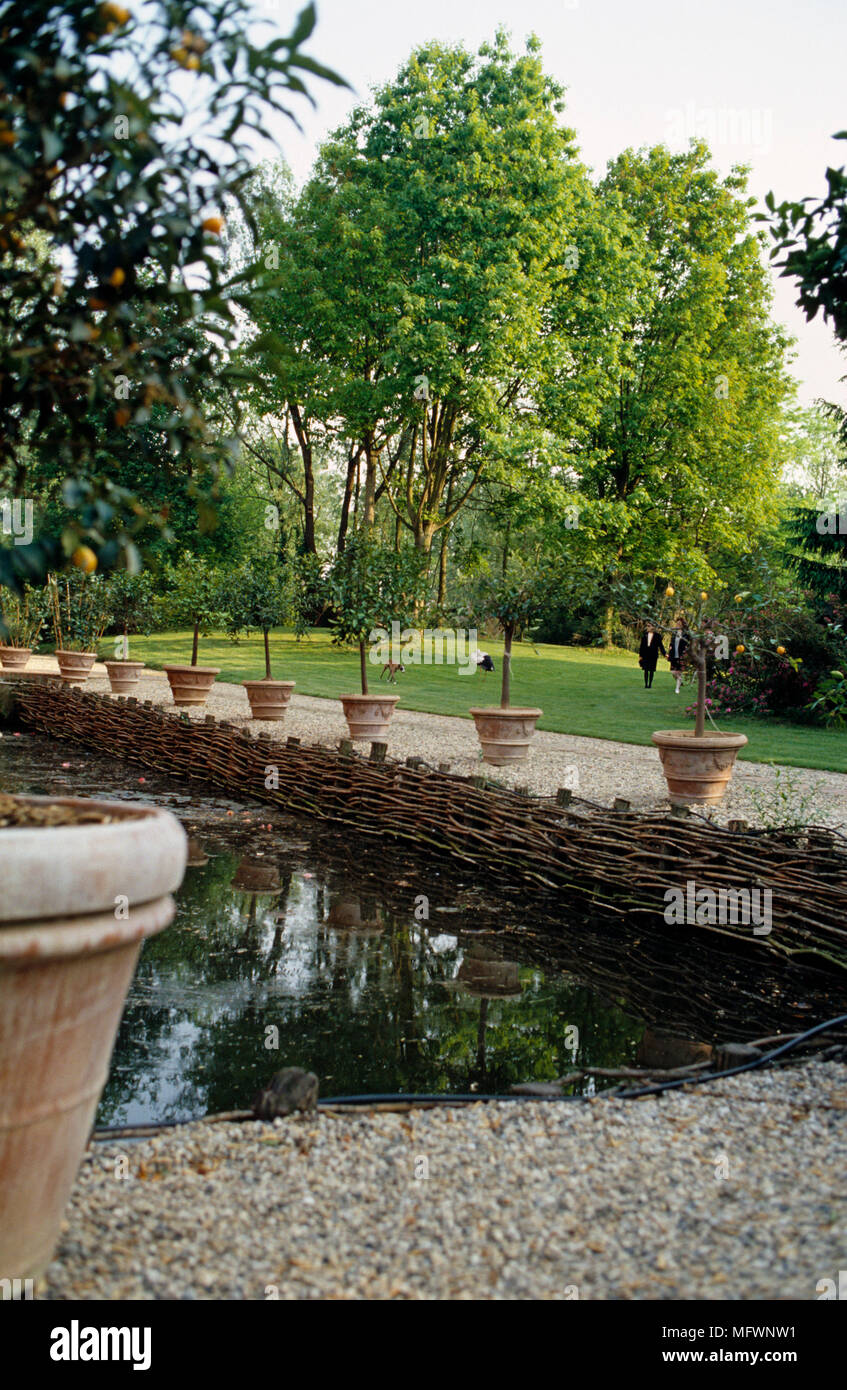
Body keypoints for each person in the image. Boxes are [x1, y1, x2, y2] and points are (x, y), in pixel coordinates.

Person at [638, 622, 666, 688]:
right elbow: (641, 646)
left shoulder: (657, 636)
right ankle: (646, 684)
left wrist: (665, 654)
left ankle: (650, 684)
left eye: (649, 626)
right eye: (647, 626)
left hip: (653, 655)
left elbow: (661, 646)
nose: (648, 627)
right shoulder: (644, 635)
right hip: (645, 655)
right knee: (645, 670)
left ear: (653, 627)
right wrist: (640, 656)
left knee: (651, 670)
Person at [668, 618, 689, 695]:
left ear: (683, 625)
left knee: (679, 673)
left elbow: (688, 644)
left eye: (679, 623)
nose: (678, 624)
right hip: (674, 654)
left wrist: (687, 651)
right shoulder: (674, 633)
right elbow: (671, 642)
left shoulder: (686, 634)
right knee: (673, 672)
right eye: (677, 623)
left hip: (681, 655)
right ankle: (680, 681)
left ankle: (677, 689)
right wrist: (670, 648)